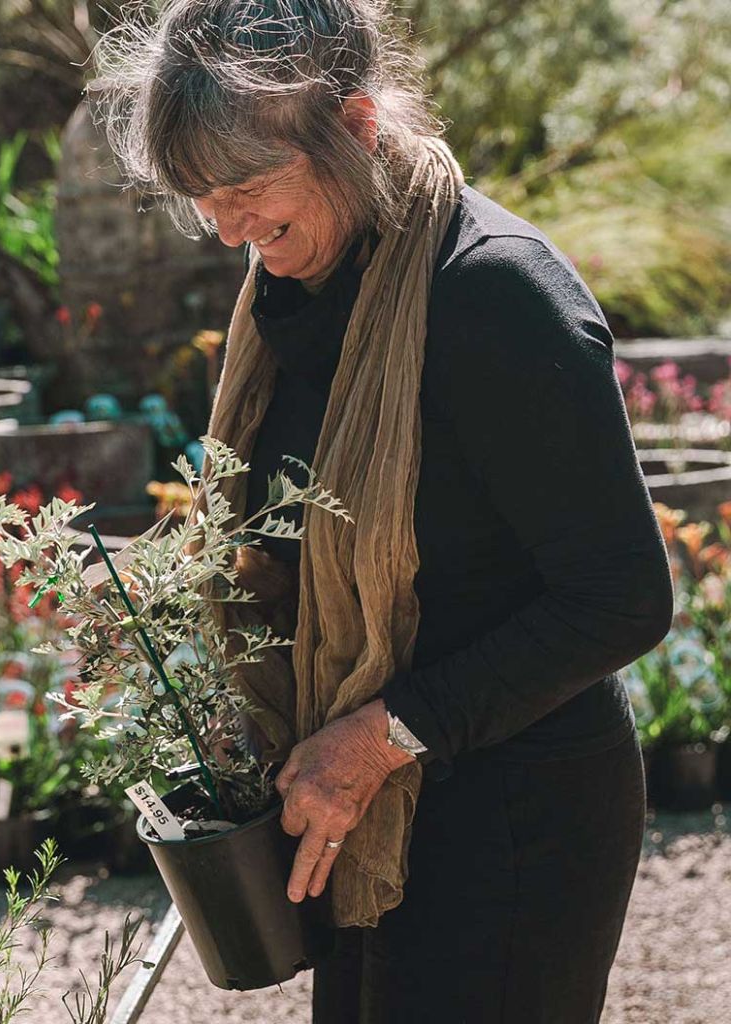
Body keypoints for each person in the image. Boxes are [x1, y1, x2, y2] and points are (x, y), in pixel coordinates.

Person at [94, 2, 674, 1021]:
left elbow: (621, 597)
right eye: (198, 198)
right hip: (367, 809)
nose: (227, 227)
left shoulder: (492, 293)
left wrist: (376, 736)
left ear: (355, 128)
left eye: (245, 187)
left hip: (511, 820)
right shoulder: (303, 283)